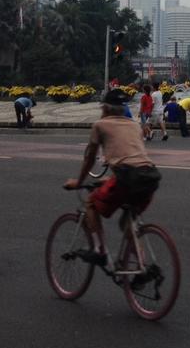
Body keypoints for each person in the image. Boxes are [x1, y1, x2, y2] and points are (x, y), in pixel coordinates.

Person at [64, 89, 161, 266]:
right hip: (149, 177)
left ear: (105, 108)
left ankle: (100, 250)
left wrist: (79, 182)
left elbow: (90, 158)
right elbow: (132, 158)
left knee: (91, 204)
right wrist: (110, 179)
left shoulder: (100, 125)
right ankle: (142, 264)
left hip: (127, 178)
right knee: (127, 222)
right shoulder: (135, 126)